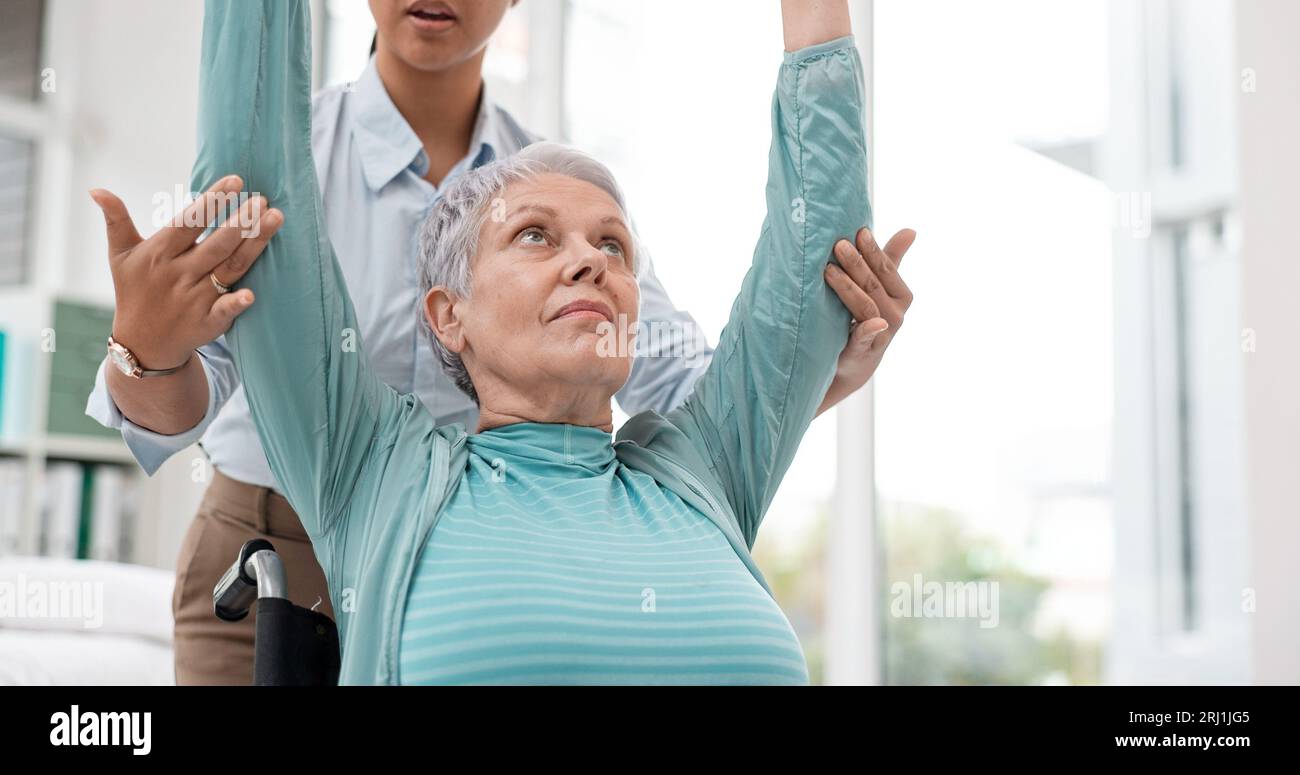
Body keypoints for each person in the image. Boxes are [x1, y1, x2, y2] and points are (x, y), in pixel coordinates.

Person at [89, 0, 912, 684]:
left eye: (613, 246)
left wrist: (809, 368)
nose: (588, 258)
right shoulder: (376, 463)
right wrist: (145, 352)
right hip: (278, 529)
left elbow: (789, 311)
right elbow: (252, 158)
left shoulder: (695, 468)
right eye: (535, 238)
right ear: (446, 313)